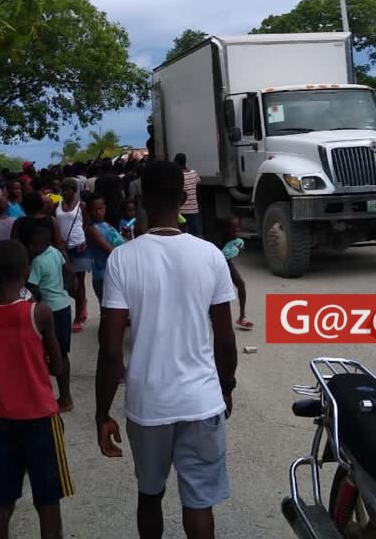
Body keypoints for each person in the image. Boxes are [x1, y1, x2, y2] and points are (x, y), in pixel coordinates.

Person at [95, 160, 238, 539]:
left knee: (149, 496)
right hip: (200, 400)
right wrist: (226, 387)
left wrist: (101, 412)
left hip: (148, 404)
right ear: (184, 197)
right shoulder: (211, 255)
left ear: (142, 198)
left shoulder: (123, 258)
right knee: (199, 504)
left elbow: (110, 349)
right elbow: (225, 339)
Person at [0, 241, 72, 539]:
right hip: (40, 419)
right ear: (27, 271)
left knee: (2, 504)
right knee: (48, 503)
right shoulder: (39, 313)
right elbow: (58, 367)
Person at [21, 225, 75, 412]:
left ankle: (59, 398)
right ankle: (65, 396)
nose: (31, 248)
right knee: (62, 353)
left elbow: (31, 287)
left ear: (44, 244)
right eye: (30, 245)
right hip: (64, 306)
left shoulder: (37, 262)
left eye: (34, 245)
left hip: (50, 310)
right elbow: (68, 270)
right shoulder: (54, 252)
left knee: (50, 353)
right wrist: (66, 287)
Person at [54, 177, 88, 332]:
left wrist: (85, 239)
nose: (64, 192)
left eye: (67, 190)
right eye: (63, 190)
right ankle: (82, 301)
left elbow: (87, 223)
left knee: (80, 282)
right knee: (67, 282)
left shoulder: (82, 206)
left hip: (79, 247)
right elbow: (53, 223)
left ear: (74, 191)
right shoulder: (56, 206)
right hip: (63, 249)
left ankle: (78, 317)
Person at [83, 195, 124, 305]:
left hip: (114, 273)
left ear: (105, 208)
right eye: (94, 209)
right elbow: (109, 250)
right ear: (88, 211)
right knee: (108, 308)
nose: (98, 212)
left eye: (100, 208)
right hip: (103, 275)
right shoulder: (91, 229)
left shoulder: (107, 225)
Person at [218, 216, 253, 330]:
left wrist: (236, 248)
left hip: (227, 263)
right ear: (227, 229)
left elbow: (232, 251)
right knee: (219, 292)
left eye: (238, 227)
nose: (237, 231)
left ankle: (242, 317)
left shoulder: (234, 239)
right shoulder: (218, 239)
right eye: (234, 228)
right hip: (216, 265)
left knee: (241, 284)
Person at [174, 152, 202, 238]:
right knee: (196, 234)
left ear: (176, 163)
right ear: (185, 162)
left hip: (181, 211)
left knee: (181, 235)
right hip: (194, 209)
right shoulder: (194, 173)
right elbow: (197, 183)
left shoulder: (177, 175)